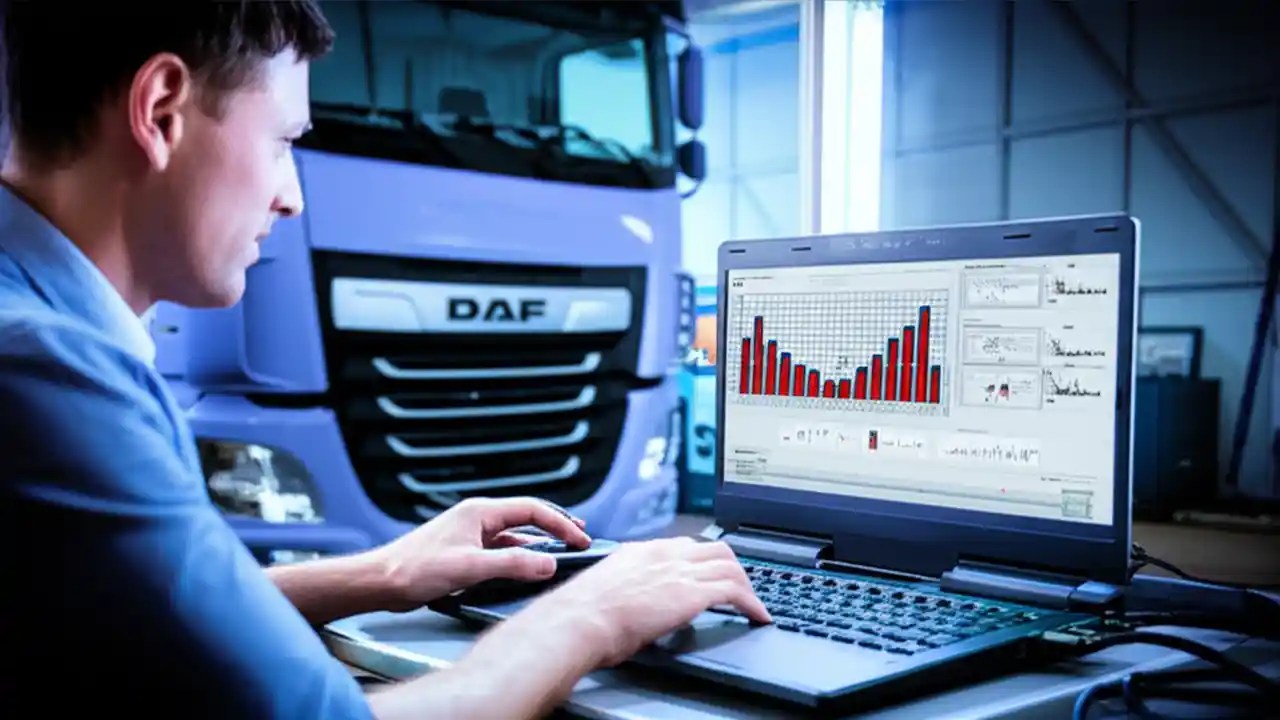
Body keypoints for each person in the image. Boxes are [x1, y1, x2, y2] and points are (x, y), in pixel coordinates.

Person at [0, 2, 770, 718]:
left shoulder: (38, 330)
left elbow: (152, 608)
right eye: (283, 145)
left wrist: (383, 573)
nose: (291, 197)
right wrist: (595, 614)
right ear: (161, 109)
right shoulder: (45, 374)